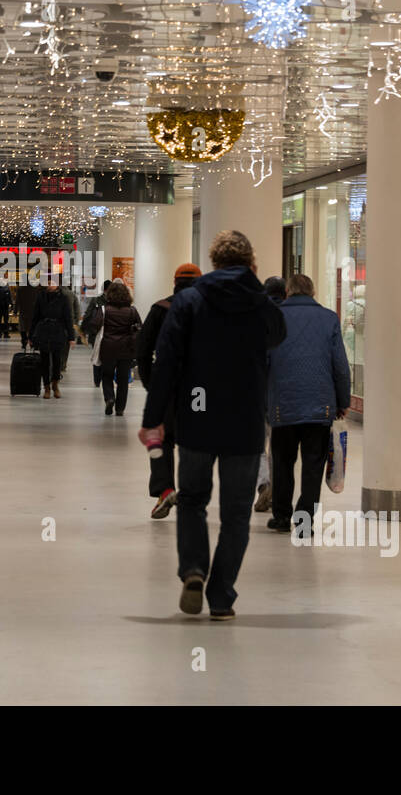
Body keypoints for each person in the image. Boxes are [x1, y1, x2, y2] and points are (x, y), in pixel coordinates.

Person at [138, 230, 286, 621]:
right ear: (251, 263)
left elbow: (165, 362)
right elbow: (278, 334)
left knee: (192, 500)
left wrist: (153, 419)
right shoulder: (260, 303)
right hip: (244, 419)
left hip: (197, 413)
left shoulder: (189, 300)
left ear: (215, 262)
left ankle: (193, 570)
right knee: (237, 513)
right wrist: (256, 287)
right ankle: (221, 596)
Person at [266, 273, 351, 535]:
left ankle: (281, 517)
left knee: (282, 462)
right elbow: (340, 367)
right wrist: (342, 401)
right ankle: (304, 522)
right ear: (313, 292)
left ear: (288, 292)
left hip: (283, 403)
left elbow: (261, 362)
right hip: (320, 405)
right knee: (313, 464)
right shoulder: (328, 319)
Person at [136, 263, 201, 519]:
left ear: (175, 282)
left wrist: (151, 384)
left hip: (168, 386)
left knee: (162, 438)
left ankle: (165, 489)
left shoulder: (160, 309)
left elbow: (142, 350)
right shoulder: (207, 309)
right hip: (199, 389)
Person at [84, 280, 142, 418]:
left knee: (107, 375)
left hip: (108, 347)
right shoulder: (132, 311)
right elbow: (140, 328)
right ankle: (120, 408)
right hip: (126, 349)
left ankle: (109, 398)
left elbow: (94, 325)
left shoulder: (104, 310)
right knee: (123, 379)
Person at [254, 276, 287, 513]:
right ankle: (276, 490)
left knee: (257, 446)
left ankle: (263, 483)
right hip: (283, 392)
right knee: (278, 446)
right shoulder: (288, 317)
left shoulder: (254, 315)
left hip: (256, 391)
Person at [82, 279, 112, 387]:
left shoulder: (98, 301)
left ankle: (99, 379)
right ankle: (99, 379)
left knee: (100, 356)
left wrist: (83, 330)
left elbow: (88, 315)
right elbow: (88, 315)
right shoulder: (101, 301)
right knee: (100, 356)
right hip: (102, 333)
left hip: (102, 333)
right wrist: (83, 329)